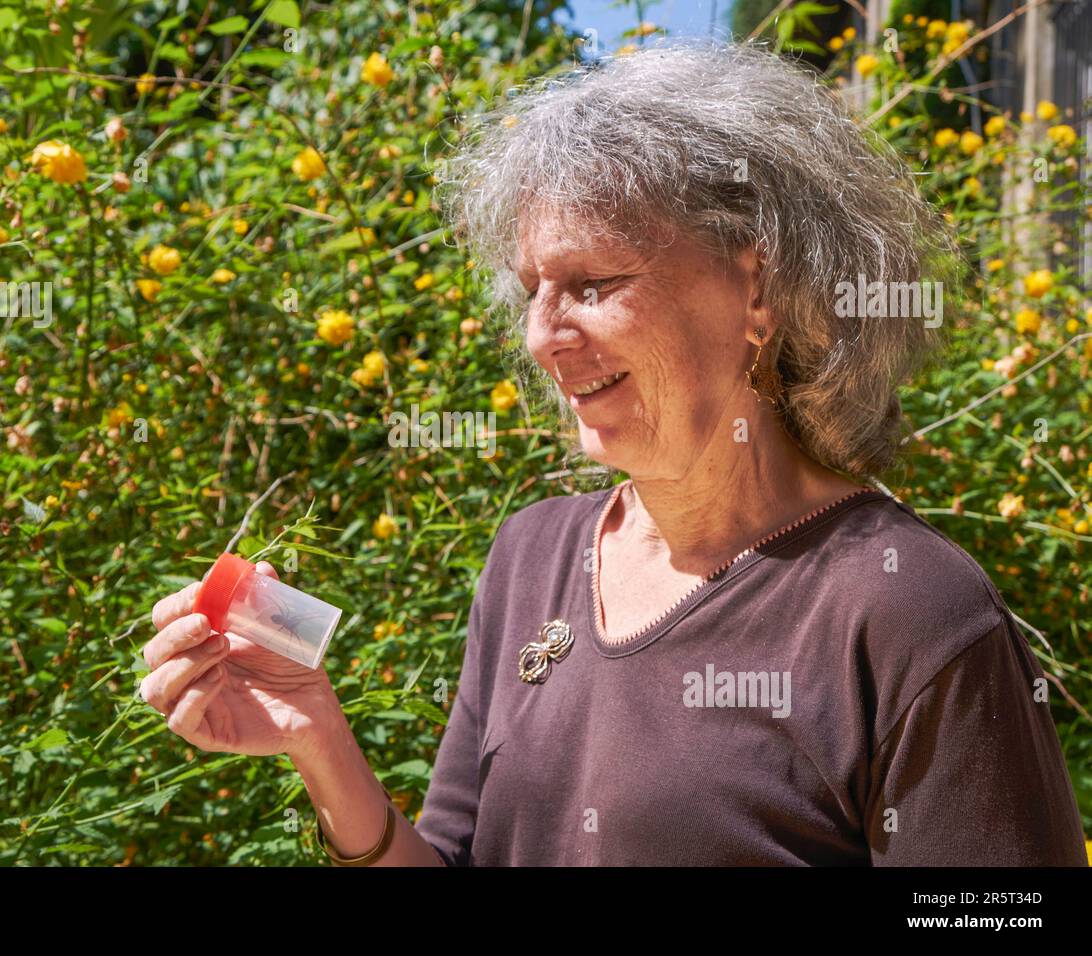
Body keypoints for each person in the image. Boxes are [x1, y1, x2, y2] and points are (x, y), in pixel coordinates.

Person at [140, 40, 1088, 865]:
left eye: (592, 282)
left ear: (757, 287)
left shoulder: (904, 607)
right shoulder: (531, 559)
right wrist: (321, 741)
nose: (541, 337)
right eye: (531, 292)